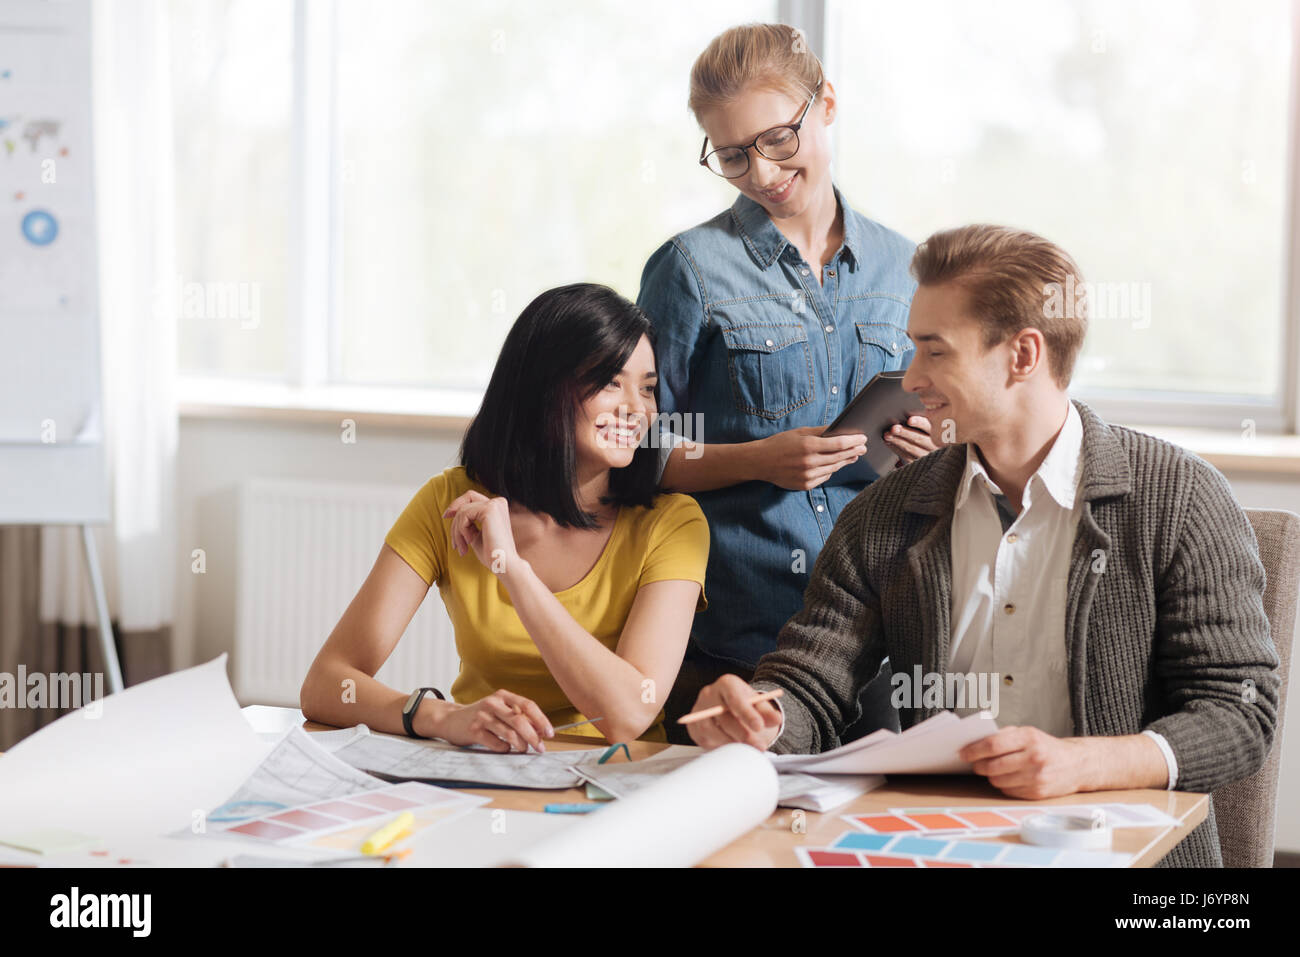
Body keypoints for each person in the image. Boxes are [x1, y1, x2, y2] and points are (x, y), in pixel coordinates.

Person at [685, 224, 1280, 868]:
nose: (910, 379)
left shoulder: (1181, 497)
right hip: (942, 848)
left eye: (935, 353)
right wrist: (761, 717)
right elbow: (810, 682)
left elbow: (1238, 713)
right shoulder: (886, 513)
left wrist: (1082, 763)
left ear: (1023, 355)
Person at [635, 23, 938, 742]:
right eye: (733, 155)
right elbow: (630, 453)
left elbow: (958, 425)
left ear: (825, 103)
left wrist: (937, 447)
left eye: (777, 140)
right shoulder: (689, 270)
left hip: (886, 630)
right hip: (745, 639)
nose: (763, 174)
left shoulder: (908, 267)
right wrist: (758, 460)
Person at [301, 283, 710, 749]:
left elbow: (629, 714)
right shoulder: (451, 501)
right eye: (610, 382)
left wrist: (512, 570)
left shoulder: (673, 524)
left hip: (610, 789)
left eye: (649, 389)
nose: (637, 409)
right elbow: (325, 684)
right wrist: (442, 717)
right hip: (484, 770)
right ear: (543, 389)